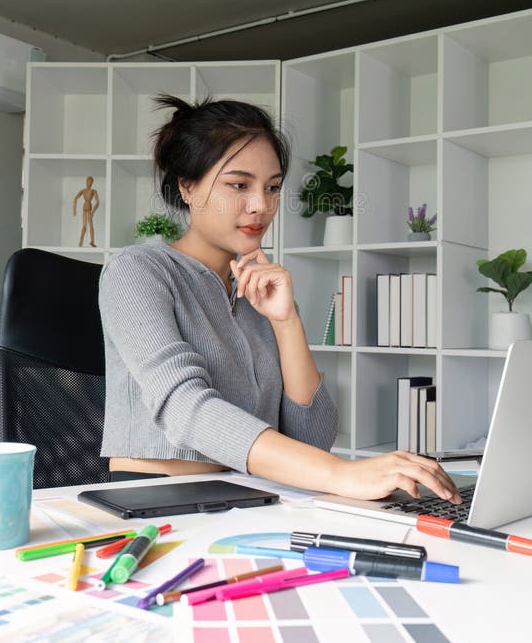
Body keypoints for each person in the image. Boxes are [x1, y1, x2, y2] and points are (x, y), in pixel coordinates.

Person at [99, 96, 461, 505]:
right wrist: (341, 473)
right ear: (187, 186)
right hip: (157, 499)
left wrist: (286, 323)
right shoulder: (137, 270)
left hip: (254, 495)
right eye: (239, 185)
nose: (262, 205)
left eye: (271, 188)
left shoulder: (260, 290)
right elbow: (185, 409)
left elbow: (313, 438)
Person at [73, 176, 100, 247]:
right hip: (85, 208)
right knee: (84, 226)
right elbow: (75, 198)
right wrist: (74, 210)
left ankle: (92, 241)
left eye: (90, 182)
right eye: (88, 181)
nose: (89, 183)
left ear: (92, 183)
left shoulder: (93, 191)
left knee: (91, 225)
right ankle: (81, 242)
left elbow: (97, 202)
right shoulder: (83, 191)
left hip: (89, 208)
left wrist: (93, 212)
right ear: (86, 182)